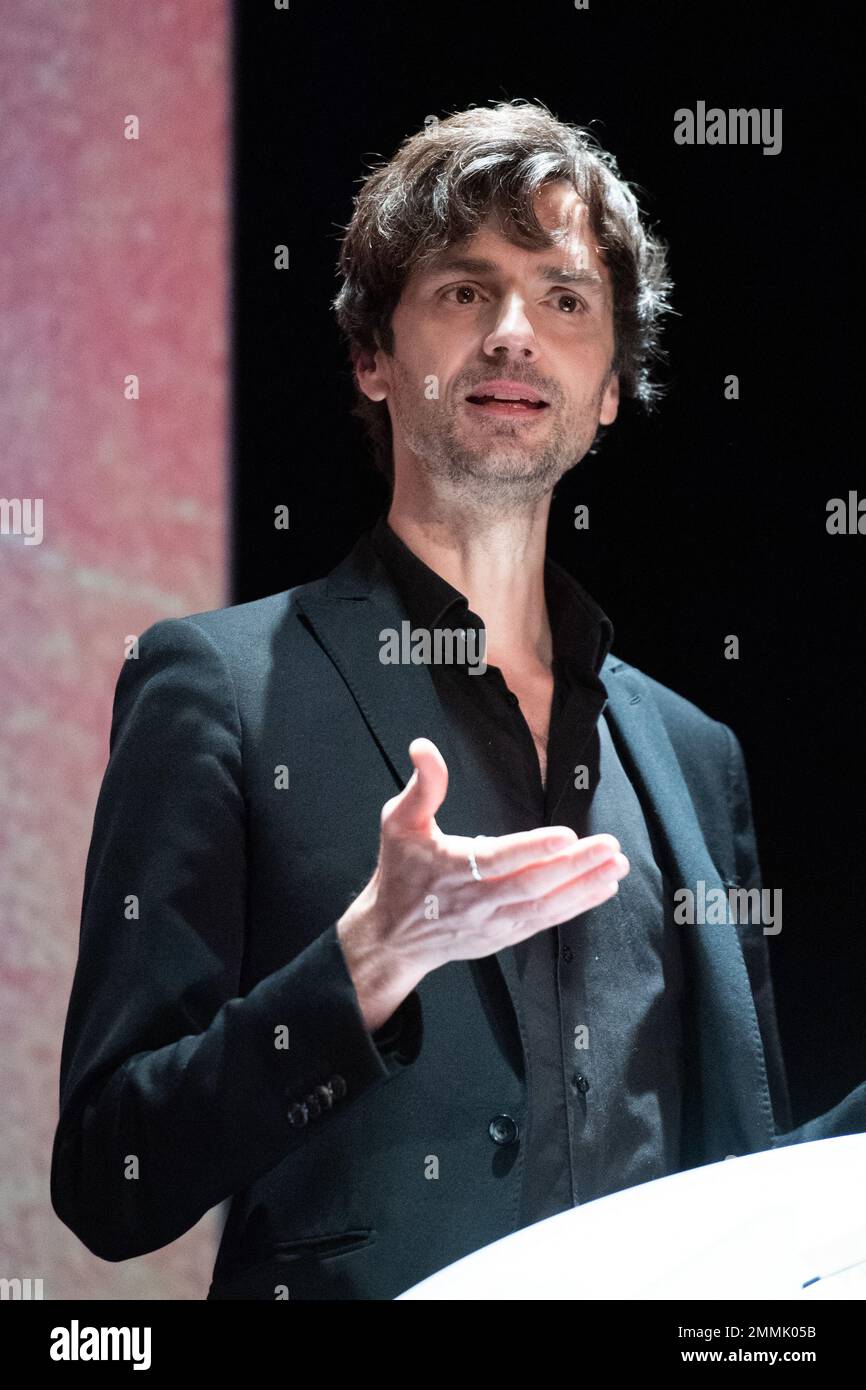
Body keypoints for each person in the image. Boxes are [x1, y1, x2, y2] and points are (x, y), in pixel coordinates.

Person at [51, 100, 866, 1301]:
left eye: (565, 300)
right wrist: (366, 961)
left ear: (605, 392)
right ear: (372, 357)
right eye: (461, 291)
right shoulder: (219, 688)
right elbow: (110, 1172)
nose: (513, 333)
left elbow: (728, 1191)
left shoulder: (692, 756)